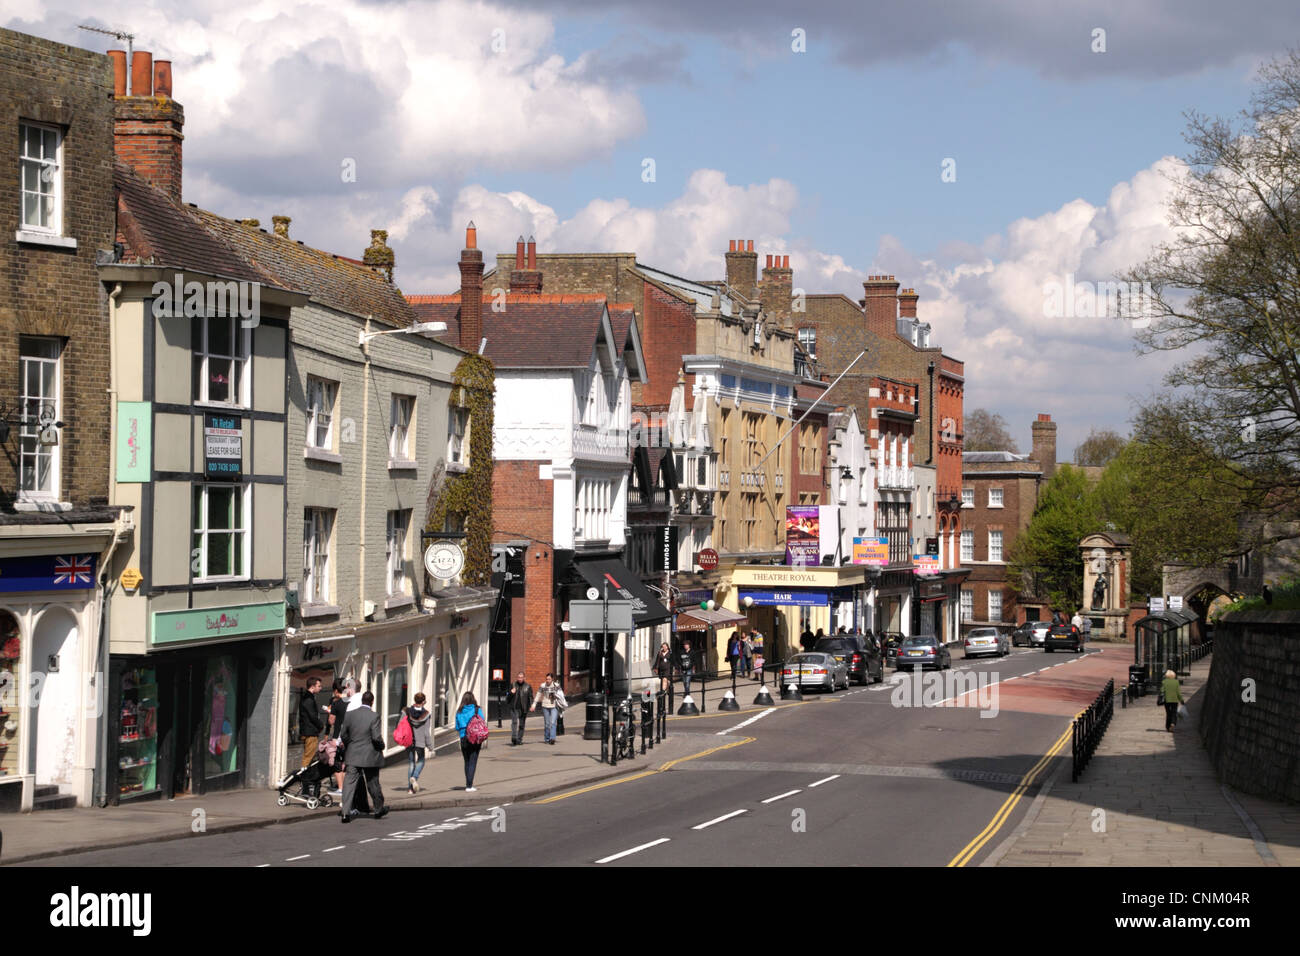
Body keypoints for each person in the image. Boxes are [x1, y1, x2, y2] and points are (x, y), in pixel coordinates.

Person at [339, 691, 388, 823]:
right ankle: (378, 809)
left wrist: (351, 745)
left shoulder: (350, 715)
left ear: (362, 701)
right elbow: (376, 737)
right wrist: (381, 746)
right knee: (373, 783)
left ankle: (345, 813)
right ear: (372, 702)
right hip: (370, 755)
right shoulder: (374, 716)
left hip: (353, 755)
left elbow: (343, 734)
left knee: (348, 784)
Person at [455, 692, 485, 792]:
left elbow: (457, 727)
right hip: (475, 738)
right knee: (473, 761)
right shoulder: (477, 709)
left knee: (467, 761)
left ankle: (468, 784)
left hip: (463, 738)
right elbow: (482, 721)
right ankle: (469, 786)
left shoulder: (459, 711)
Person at [403, 692, 433, 793]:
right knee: (421, 760)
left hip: (409, 741)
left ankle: (410, 789)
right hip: (420, 742)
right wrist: (430, 746)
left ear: (415, 700)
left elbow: (400, 725)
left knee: (411, 763)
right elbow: (426, 733)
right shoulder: (426, 714)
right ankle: (415, 777)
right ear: (424, 701)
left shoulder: (407, 711)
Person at [531, 673, 565, 745]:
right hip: (545, 706)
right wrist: (534, 704)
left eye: (549, 679)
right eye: (546, 679)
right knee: (547, 724)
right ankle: (547, 738)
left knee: (553, 723)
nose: (547, 680)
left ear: (552, 679)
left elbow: (562, 695)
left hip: (554, 706)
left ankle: (552, 739)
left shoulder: (556, 685)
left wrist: (557, 696)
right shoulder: (543, 686)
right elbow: (538, 695)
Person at [327, 678, 348, 796]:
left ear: (335, 690)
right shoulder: (351, 702)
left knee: (337, 762)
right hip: (349, 736)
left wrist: (330, 711)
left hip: (338, 735)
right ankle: (346, 787)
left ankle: (341, 788)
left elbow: (331, 721)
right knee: (346, 761)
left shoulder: (336, 703)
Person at [298, 677, 324, 770]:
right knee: (309, 756)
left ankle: (305, 777)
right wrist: (321, 725)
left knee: (309, 755)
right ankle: (304, 778)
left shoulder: (308, 697)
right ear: (312, 687)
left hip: (308, 730)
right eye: (319, 686)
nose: (320, 688)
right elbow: (312, 716)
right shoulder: (308, 699)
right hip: (310, 732)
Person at [506, 671, 533, 746]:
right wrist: (511, 692)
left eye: (521, 677)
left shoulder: (528, 686)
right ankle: (514, 737)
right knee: (514, 722)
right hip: (514, 707)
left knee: (521, 724)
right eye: (518, 677)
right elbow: (507, 697)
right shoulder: (513, 685)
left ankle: (519, 739)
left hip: (523, 708)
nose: (520, 679)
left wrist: (531, 705)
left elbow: (530, 697)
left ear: (524, 678)